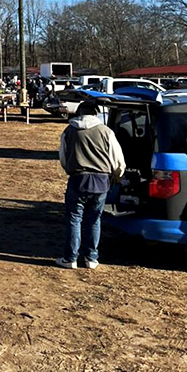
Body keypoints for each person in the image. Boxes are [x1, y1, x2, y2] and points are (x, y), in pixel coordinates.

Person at [56, 101, 126, 270]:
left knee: (74, 219)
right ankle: (91, 258)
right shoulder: (106, 131)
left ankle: (70, 258)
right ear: (96, 114)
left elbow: (63, 157)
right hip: (101, 181)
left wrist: (70, 169)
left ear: (79, 113)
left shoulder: (69, 131)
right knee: (94, 220)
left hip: (77, 179)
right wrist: (117, 176)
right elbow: (117, 159)